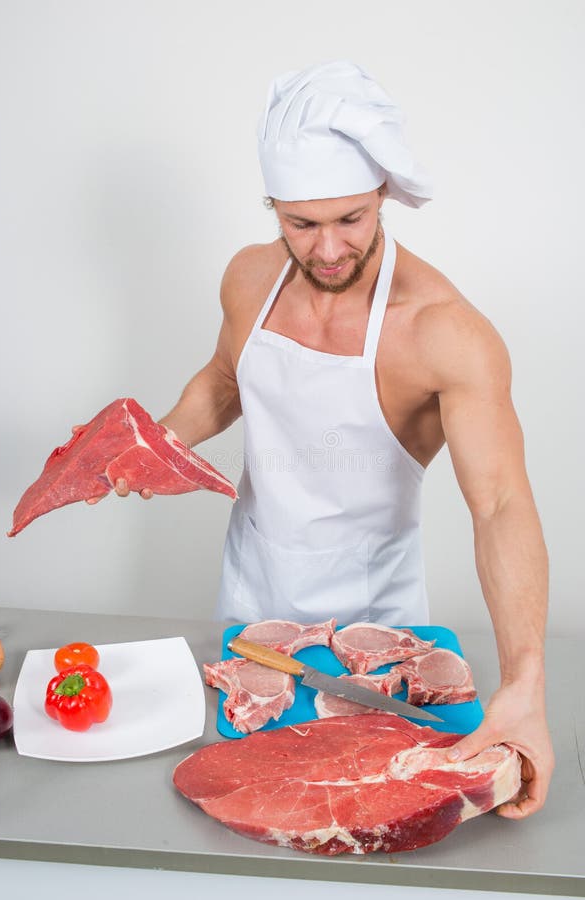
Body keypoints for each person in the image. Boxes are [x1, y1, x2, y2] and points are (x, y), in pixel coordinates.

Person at [111, 61, 554, 818]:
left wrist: (525, 683)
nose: (325, 251)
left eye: (350, 219)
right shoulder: (250, 278)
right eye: (300, 223)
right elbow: (224, 382)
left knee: (358, 808)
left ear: (382, 193)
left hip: (376, 620)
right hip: (252, 587)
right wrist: (158, 442)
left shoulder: (444, 331)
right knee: (245, 790)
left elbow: (502, 503)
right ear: (272, 207)